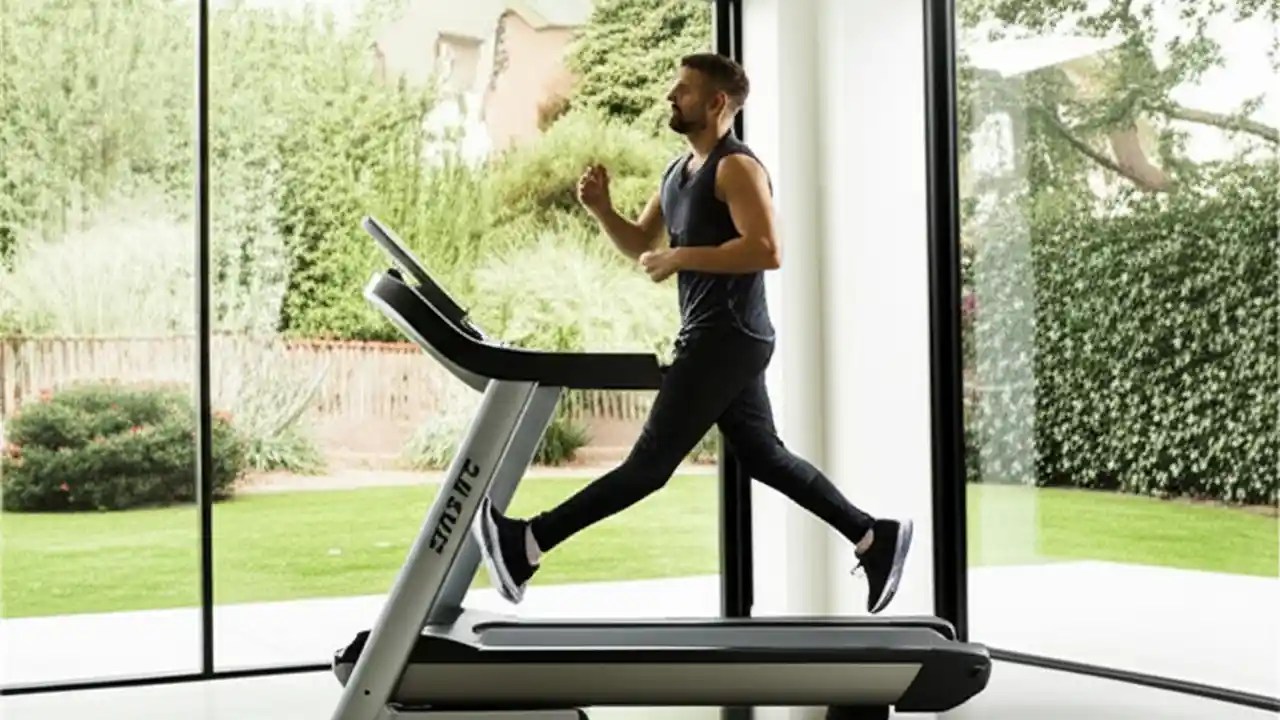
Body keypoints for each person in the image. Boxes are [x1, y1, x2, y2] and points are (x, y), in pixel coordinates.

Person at [474, 52, 913, 614]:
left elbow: (766, 250)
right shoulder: (676, 172)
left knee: (648, 465)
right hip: (720, 336)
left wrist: (680, 256)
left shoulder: (736, 168)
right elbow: (641, 245)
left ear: (715, 103)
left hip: (725, 337)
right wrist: (601, 210)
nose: (671, 97)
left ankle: (527, 544)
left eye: (682, 90)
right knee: (765, 457)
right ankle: (875, 538)